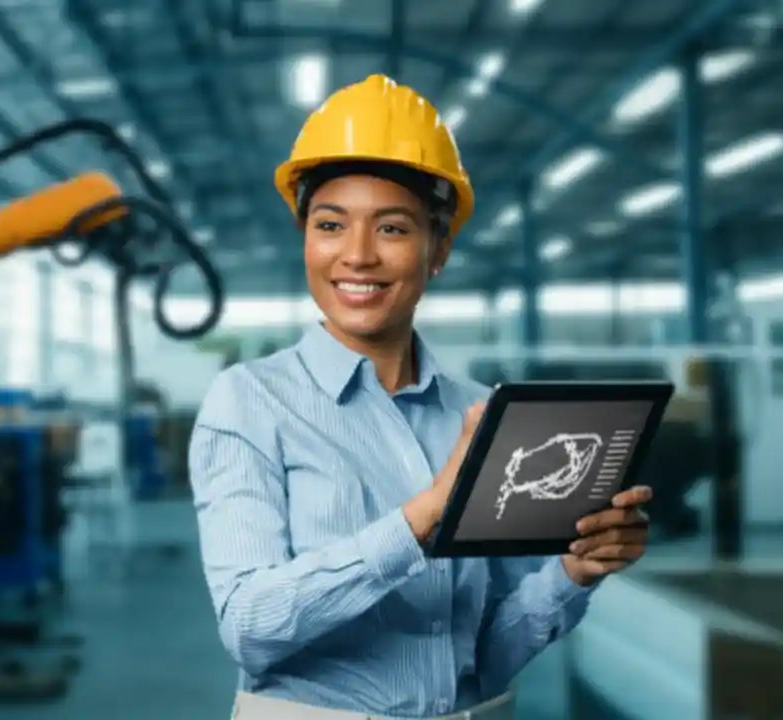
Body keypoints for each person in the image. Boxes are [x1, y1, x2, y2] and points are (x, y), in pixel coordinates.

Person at [187, 74, 653, 720]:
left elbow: (482, 655)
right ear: (305, 238)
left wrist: (573, 573)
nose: (357, 256)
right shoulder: (249, 403)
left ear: (439, 250)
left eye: (392, 229)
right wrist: (422, 517)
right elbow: (248, 625)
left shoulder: (478, 415)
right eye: (330, 224)